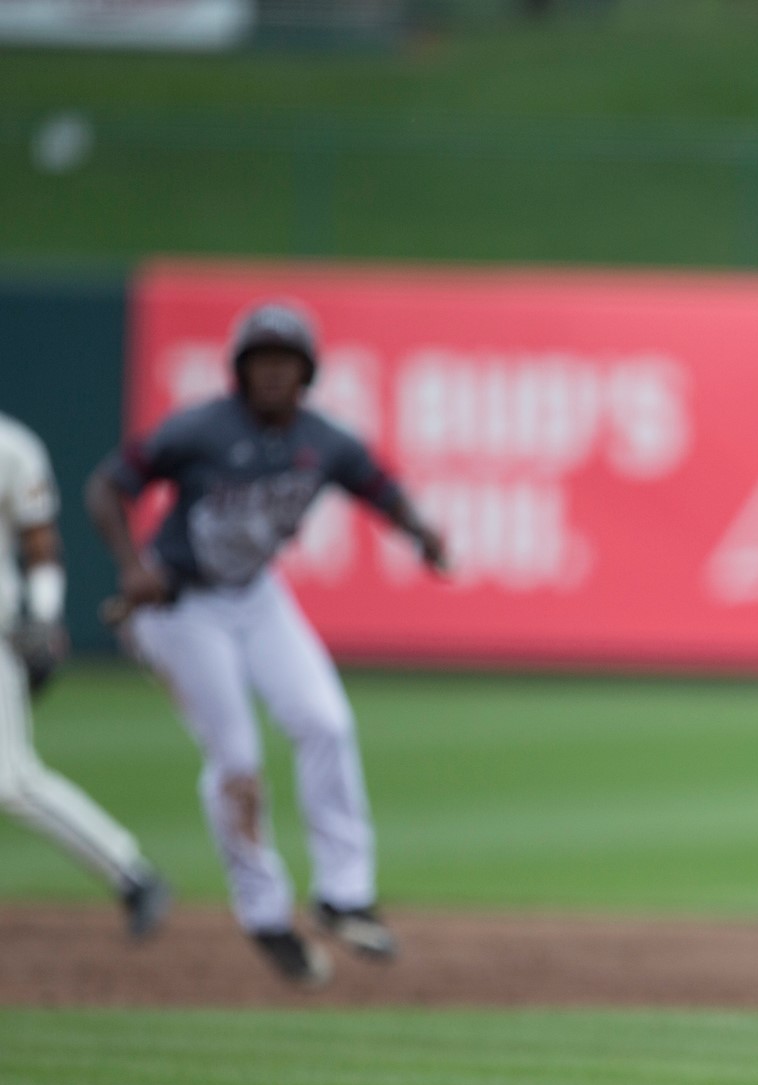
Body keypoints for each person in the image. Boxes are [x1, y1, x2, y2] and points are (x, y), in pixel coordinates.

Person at [84, 301, 448, 987]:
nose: (273, 374)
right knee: (238, 759)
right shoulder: (200, 429)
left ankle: (344, 894)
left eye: (286, 362)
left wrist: (422, 534)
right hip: (181, 607)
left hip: (255, 594)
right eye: (261, 362)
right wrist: (132, 564)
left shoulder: (322, 440)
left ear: (305, 373)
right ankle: (264, 914)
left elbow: (378, 485)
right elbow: (108, 484)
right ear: (241, 370)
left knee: (326, 721)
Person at [0, 409, 174, 936]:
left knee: (9, 781)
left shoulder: (10, 446)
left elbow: (39, 542)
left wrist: (45, 616)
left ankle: (132, 875)